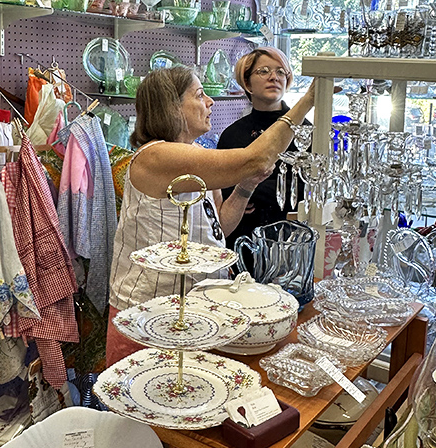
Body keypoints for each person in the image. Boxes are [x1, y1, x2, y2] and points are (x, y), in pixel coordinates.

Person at [107, 64, 316, 364]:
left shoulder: (196, 153)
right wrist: (308, 100)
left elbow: (221, 227)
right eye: (200, 94)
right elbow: (257, 158)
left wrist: (244, 187)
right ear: (172, 107)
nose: (210, 102)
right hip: (150, 316)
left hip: (194, 312)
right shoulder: (155, 156)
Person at [217, 47, 305, 248]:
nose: (274, 77)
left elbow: (304, 187)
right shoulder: (232, 134)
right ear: (247, 83)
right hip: (242, 242)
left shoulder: (304, 132)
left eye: (281, 71)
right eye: (264, 71)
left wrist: (247, 189)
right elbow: (221, 183)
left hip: (290, 241)